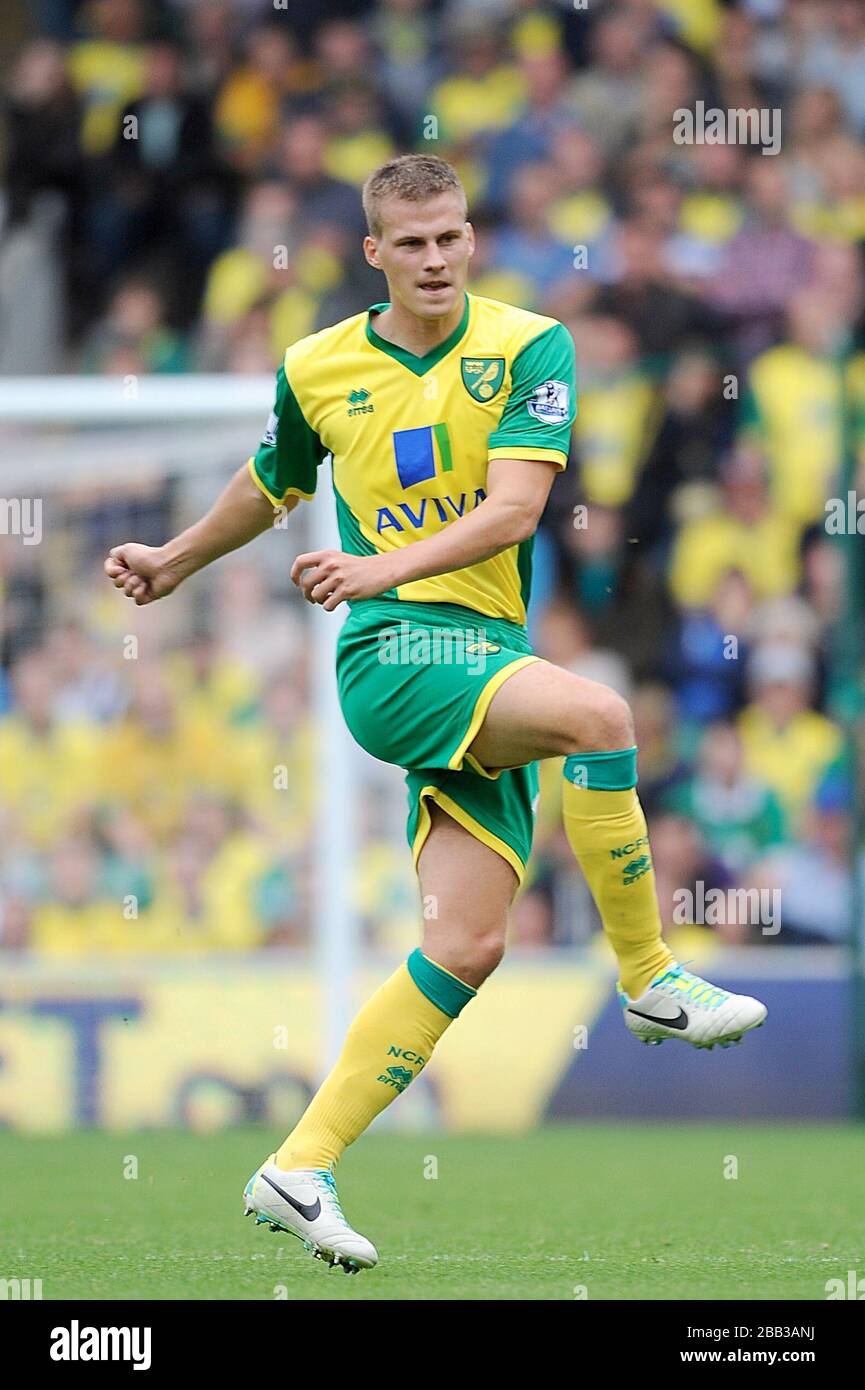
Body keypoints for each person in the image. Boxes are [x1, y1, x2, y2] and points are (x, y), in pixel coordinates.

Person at [104, 154, 766, 1275]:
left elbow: (515, 513)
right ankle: (650, 978)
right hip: (397, 658)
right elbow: (273, 480)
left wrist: (376, 560)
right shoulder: (316, 365)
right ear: (373, 253)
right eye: (409, 244)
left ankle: (299, 1164)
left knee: (465, 944)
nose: (434, 259)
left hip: (482, 652)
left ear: (471, 238)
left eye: (450, 237)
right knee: (601, 714)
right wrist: (172, 561)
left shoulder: (527, 344)